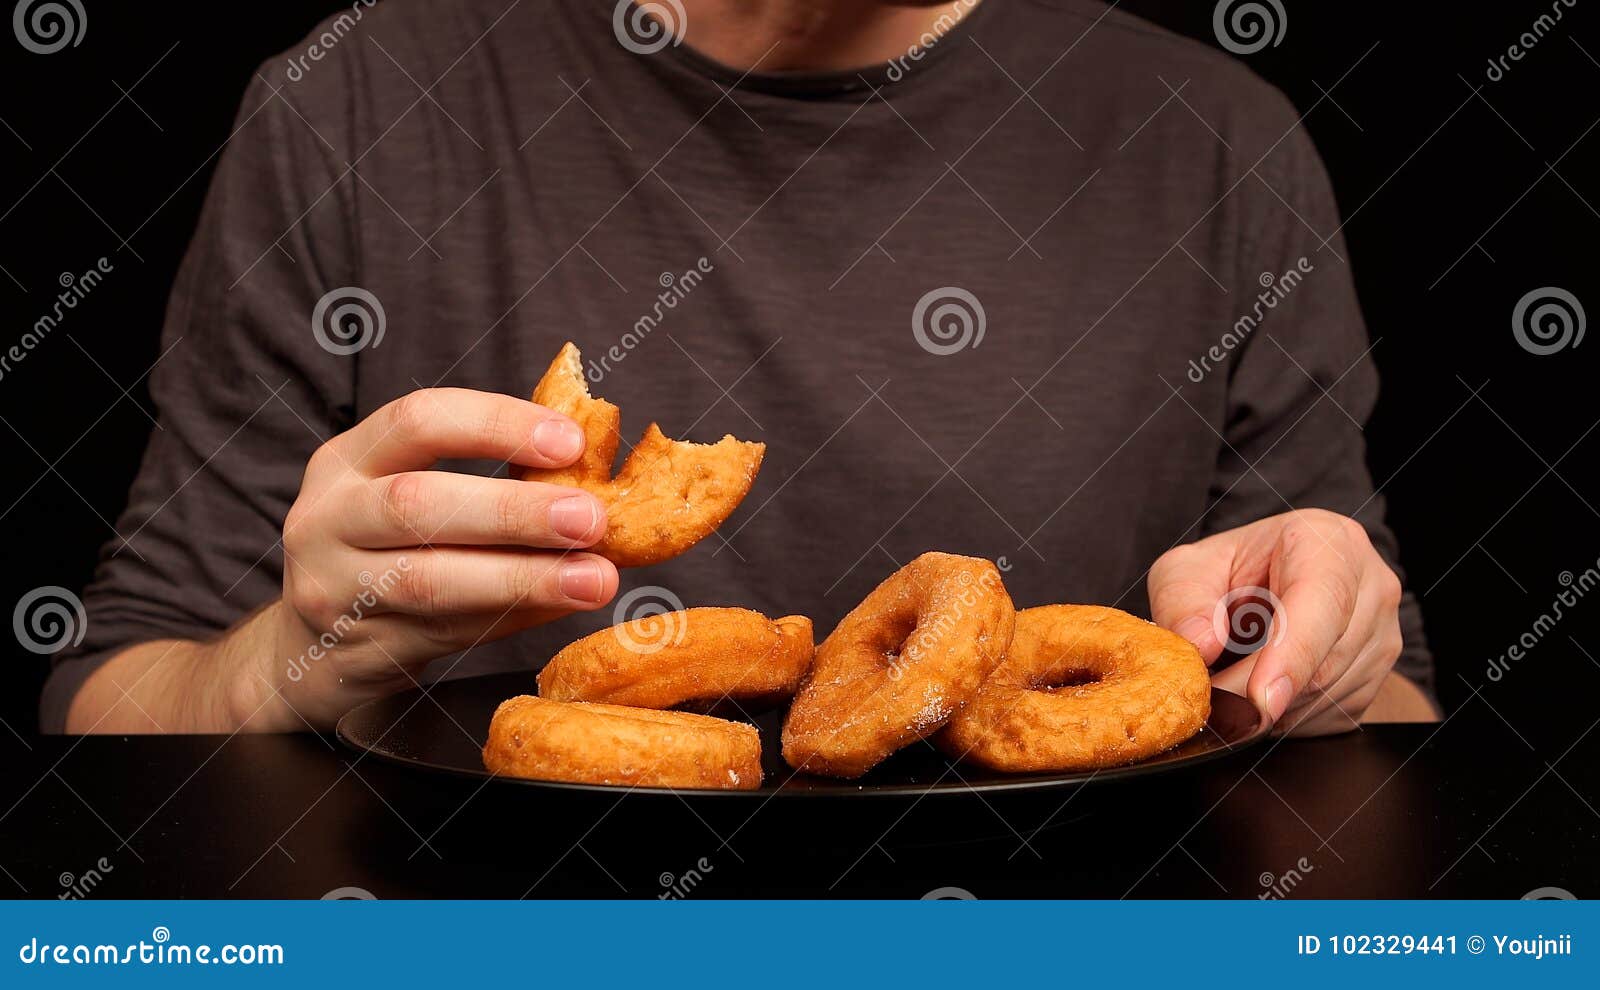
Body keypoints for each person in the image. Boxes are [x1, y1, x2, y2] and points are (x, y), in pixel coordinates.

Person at [43, 0, 1437, 736]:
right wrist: (278, 667)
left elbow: (1389, 721)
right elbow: (114, 689)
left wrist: (1316, 656)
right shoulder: (354, 99)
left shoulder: (1218, 144)